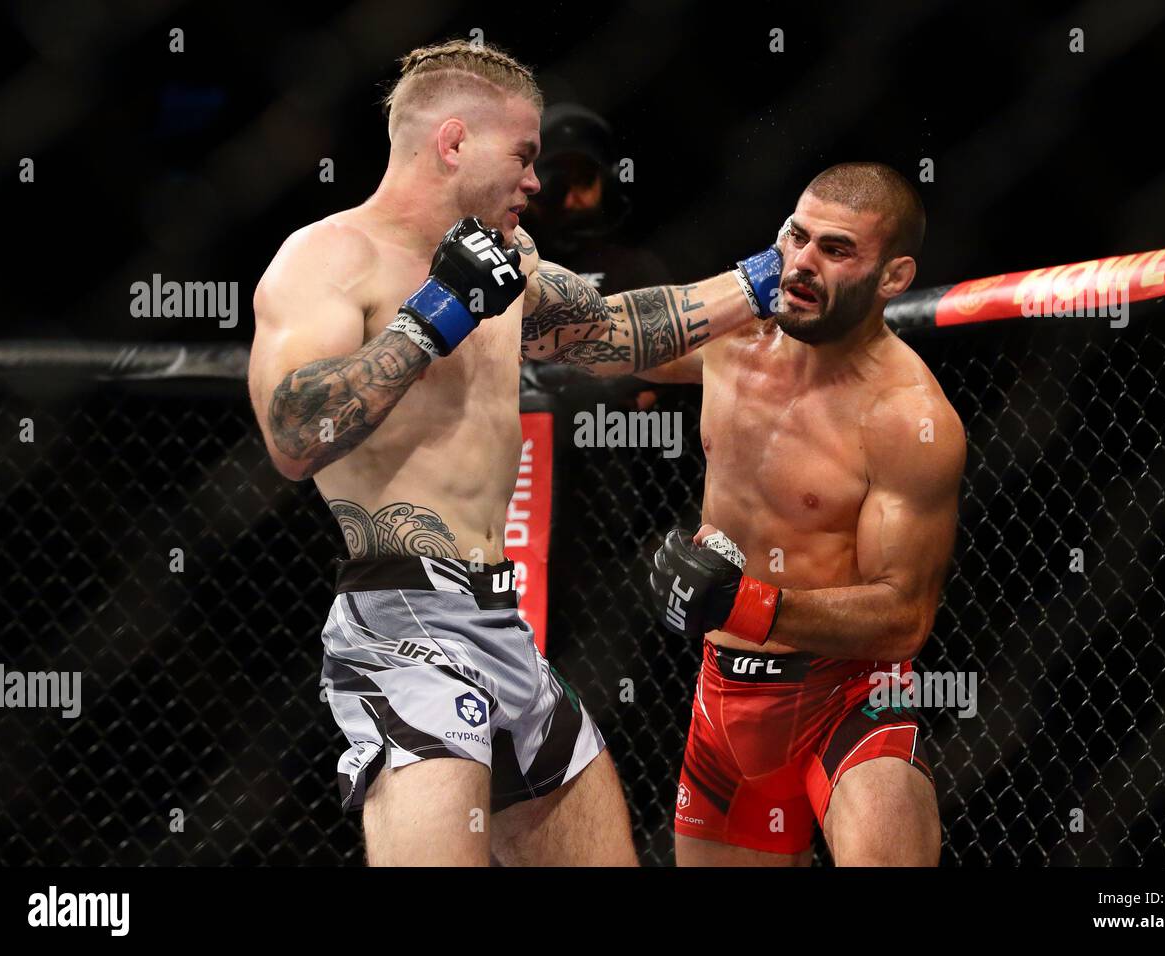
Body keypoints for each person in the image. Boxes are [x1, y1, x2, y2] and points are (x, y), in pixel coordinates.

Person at [247, 39, 783, 866]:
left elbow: (615, 331)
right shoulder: (328, 258)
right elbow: (292, 436)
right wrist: (432, 317)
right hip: (405, 622)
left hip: (504, 624)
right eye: (525, 156)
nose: (537, 181)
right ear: (454, 143)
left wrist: (767, 281)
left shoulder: (508, 263)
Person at [644, 162, 965, 866]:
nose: (803, 262)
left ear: (894, 277)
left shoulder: (909, 416)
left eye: (837, 249)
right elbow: (602, 342)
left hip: (845, 696)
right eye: (796, 236)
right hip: (722, 697)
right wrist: (516, 278)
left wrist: (746, 602)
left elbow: (904, 617)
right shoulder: (732, 342)